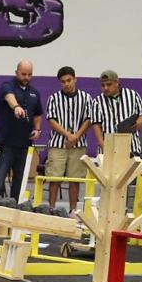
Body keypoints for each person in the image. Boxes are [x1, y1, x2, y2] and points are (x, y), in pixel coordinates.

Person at [0, 60, 43, 200]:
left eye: (30, 74)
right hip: (5, 143)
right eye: (23, 74)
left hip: (24, 144)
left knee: (20, 180)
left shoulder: (34, 93)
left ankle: (15, 206)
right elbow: (9, 97)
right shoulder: (7, 86)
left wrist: (37, 129)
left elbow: (38, 114)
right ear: (16, 72)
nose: (27, 77)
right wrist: (16, 107)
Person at [45, 66, 94, 211]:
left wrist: (76, 136)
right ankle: (52, 208)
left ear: (75, 79)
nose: (66, 84)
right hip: (58, 145)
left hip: (79, 145)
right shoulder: (54, 98)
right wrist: (68, 135)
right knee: (54, 178)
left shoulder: (86, 98)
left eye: (69, 80)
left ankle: (73, 210)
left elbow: (89, 119)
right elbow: (51, 120)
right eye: (63, 81)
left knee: (75, 179)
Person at [90, 69, 142, 156]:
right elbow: (96, 125)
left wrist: (139, 122)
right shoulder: (97, 101)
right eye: (103, 85)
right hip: (108, 147)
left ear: (117, 82)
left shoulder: (132, 95)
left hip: (131, 146)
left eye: (109, 84)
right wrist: (102, 144)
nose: (105, 88)